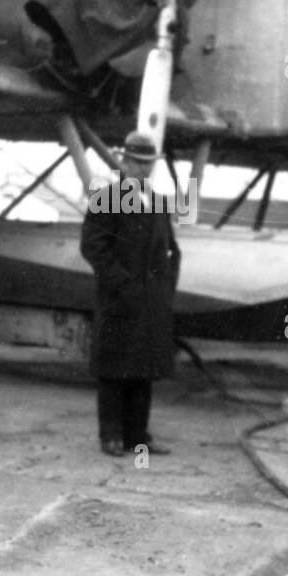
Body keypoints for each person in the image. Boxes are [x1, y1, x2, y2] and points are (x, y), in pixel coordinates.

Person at [79, 131, 181, 458]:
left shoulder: (157, 201)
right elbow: (92, 246)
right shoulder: (108, 197)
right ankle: (111, 435)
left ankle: (138, 436)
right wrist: (122, 285)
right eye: (137, 162)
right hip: (119, 300)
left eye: (149, 163)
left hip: (151, 302)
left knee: (143, 370)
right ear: (123, 162)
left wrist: (165, 290)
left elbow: (171, 250)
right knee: (114, 370)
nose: (143, 169)